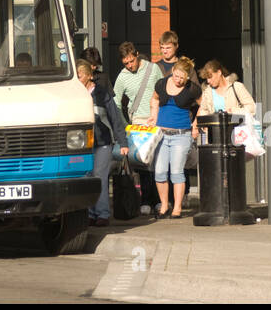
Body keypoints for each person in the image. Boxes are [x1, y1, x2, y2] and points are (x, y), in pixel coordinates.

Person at [149, 58, 202, 219]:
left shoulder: (192, 89)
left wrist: (195, 124)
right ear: (172, 71)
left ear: (187, 77)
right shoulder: (161, 83)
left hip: (181, 134)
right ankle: (164, 204)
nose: (178, 80)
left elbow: (203, 105)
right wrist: (153, 116)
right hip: (162, 135)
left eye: (182, 78)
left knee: (177, 172)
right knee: (159, 171)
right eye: (176, 76)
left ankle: (177, 207)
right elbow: (155, 99)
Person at [78, 60, 127, 227]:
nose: (78, 78)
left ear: (89, 76)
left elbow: (114, 117)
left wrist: (123, 142)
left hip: (102, 142)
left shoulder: (101, 93)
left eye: (80, 75)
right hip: (82, 145)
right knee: (86, 177)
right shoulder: (75, 94)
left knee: (99, 177)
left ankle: (103, 214)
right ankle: (90, 213)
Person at [112, 41, 161, 209]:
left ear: (137, 55)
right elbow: (116, 103)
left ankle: (160, 200)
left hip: (156, 119)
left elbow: (162, 90)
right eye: (126, 63)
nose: (130, 65)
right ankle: (146, 200)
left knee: (158, 161)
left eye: (131, 61)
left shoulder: (152, 69)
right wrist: (125, 125)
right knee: (143, 162)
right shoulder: (122, 76)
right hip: (138, 121)